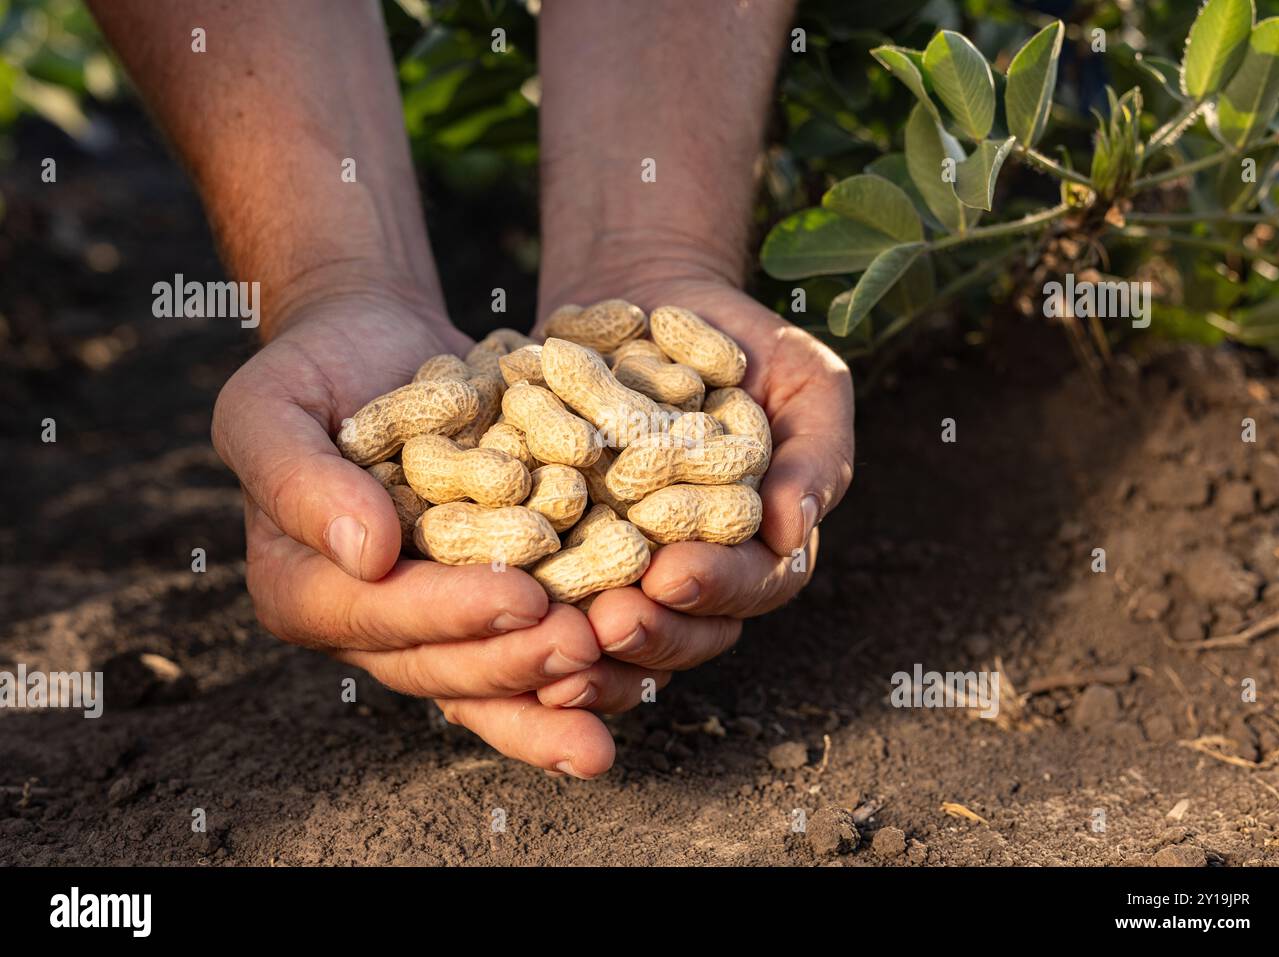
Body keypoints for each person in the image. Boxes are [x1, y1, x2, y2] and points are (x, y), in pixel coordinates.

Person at [88, 0, 854, 777]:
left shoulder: (602, 408)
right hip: (528, 459)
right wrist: (331, 279)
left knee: (590, 515)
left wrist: (656, 243)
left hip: (585, 452)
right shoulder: (500, 417)